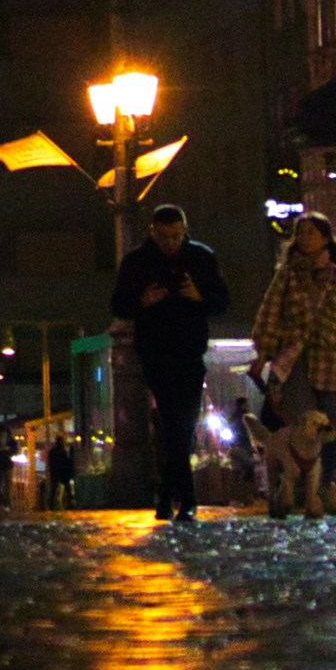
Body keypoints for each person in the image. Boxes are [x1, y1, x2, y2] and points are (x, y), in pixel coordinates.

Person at [109, 198, 226, 520]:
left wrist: (198, 297)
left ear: (184, 231)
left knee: (180, 423)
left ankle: (167, 493)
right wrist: (142, 300)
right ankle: (184, 497)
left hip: (189, 350)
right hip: (156, 351)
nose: (171, 243)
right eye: (164, 237)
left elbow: (221, 300)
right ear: (153, 232)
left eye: (176, 236)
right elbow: (119, 304)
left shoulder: (200, 258)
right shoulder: (138, 262)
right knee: (175, 421)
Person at [250, 207, 336, 513]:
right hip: (297, 362)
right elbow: (269, 314)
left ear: (326, 239)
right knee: (299, 427)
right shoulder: (287, 276)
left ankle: (325, 483)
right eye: (300, 234)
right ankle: (290, 486)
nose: (304, 239)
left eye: (311, 233)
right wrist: (264, 353)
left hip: (334, 363)